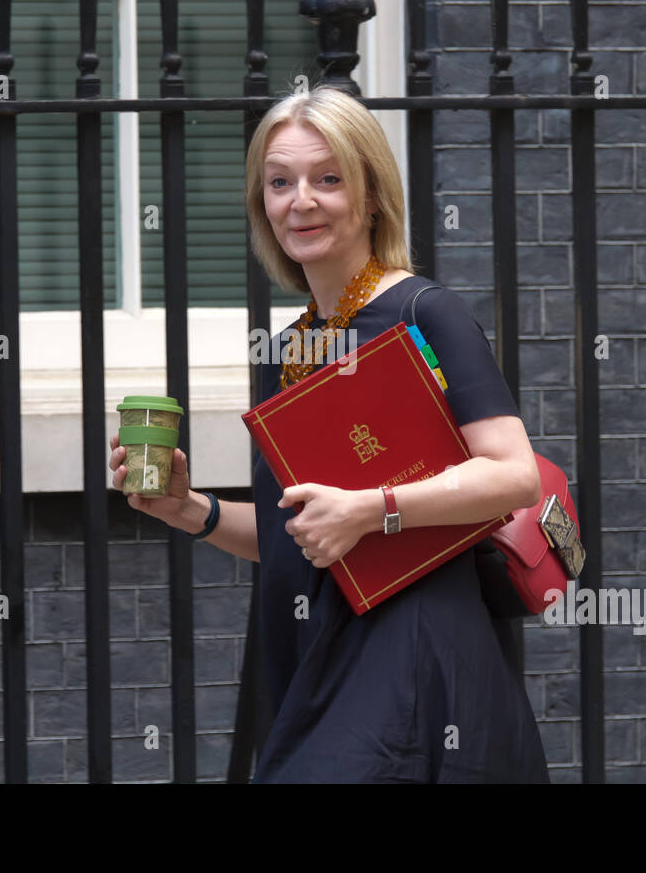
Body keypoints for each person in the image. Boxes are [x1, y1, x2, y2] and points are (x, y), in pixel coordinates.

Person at [108, 86, 550, 782]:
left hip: (415, 648)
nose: (300, 201)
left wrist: (373, 508)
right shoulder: (285, 350)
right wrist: (191, 509)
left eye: (328, 179)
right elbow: (302, 534)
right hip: (315, 651)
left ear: (371, 195)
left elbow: (512, 474)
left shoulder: (426, 312)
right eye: (279, 182)